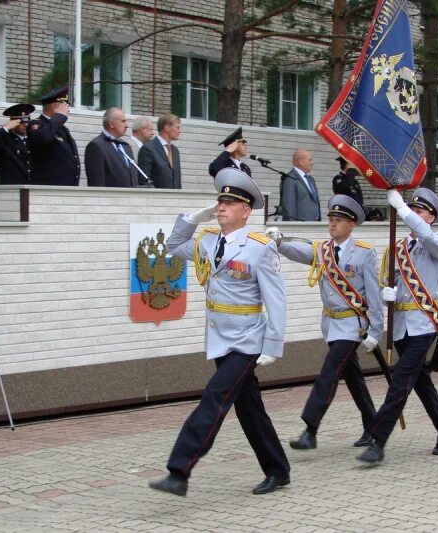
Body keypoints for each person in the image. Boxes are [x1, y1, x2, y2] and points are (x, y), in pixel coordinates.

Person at [149, 168, 290, 497]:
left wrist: (273, 344)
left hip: (247, 339)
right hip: (219, 338)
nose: (222, 206)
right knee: (249, 408)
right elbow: (173, 245)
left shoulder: (260, 248)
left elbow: (277, 300)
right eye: (220, 200)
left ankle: (179, 470)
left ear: (245, 211)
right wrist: (192, 218)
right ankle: (278, 470)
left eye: (231, 202)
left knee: (214, 399)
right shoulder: (206, 239)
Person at [266, 195, 382, 451]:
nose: (332, 224)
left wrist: (376, 330)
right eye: (331, 219)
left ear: (351, 225)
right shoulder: (322, 250)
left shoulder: (364, 253)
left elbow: (374, 294)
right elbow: (301, 252)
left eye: (338, 220)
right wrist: (280, 241)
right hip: (332, 324)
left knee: (329, 372)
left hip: (353, 324)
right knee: (353, 377)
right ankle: (374, 427)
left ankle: (311, 428)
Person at [356, 188, 438, 464]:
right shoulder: (395, 248)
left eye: (420, 211)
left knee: (400, 380)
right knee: (420, 382)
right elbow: (391, 284)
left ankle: (378, 440)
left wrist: (402, 210)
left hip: (425, 323)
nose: (414, 214)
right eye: (412, 209)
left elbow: (426, 236)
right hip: (400, 326)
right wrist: (389, 293)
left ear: (431, 217)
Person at [27, 86, 80, 186]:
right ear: (54, 106)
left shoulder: (61, 128)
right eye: (64, 105)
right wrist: (59, 117)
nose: (68, 110)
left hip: (65, 187)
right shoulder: (36, 125)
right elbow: (44, 138)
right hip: (48, 187)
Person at [0, 103, 34, 185]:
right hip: (11, 190)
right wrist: (5, 128)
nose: (26, 125)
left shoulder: (32, 139)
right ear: (13, 123)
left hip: (32, 189)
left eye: (27, 122)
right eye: (22, 122)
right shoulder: (5, 140)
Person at [84, 108, 139, 188]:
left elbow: (133, 176)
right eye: (123, 121)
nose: (127, 126)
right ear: (111, 124)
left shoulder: (126, 146)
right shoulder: (96, 146)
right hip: (111, 198)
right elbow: (97, 181)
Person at [138, 113, 181, 189]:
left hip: (174, 198)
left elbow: (177, 180)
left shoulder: (175, 151)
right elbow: (144, 180)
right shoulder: (148, 148)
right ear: (167, 127)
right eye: (177, 127)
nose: (180, 131)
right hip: (156, 198)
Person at [280, 149, 321, 221]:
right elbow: (289, 207)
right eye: (310, 160)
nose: (312, 163)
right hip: (300, 227)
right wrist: (293, 229)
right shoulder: (290, 178)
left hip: (314, 225)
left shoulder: (311, 179)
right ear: (300, 162)